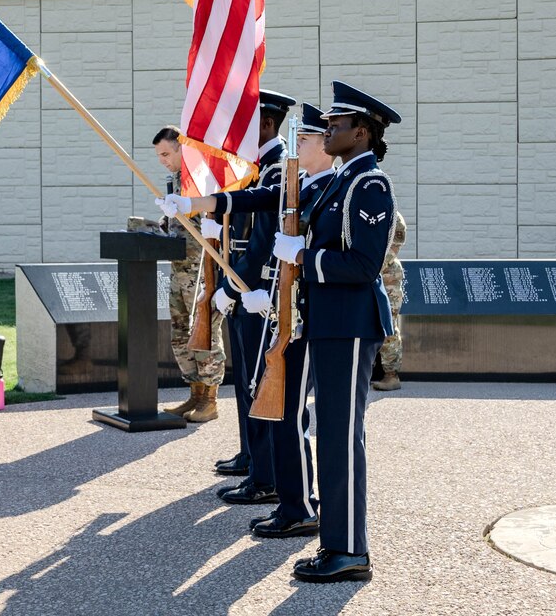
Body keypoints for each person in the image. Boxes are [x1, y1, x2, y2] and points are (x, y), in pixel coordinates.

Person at [160, 80, 400, 583]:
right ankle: (337, 544)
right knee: (328, 434)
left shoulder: (369, 185)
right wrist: (201, 206)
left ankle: (349, 551)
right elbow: (269, 198)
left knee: (340, 438)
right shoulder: (336, 181)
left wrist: (304, 258)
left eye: (336, 125)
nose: (327, 131)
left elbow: (363, 265)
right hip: (327, 323)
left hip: (350, 326)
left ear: (361, 132)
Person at [249, 101, 336, 540]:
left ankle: (300, 506)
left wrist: (298, 255)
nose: (296, 146)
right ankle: (291, 503)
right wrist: (200, 202)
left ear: (325, 144)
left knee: (289, 414)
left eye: (305, 139)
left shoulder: (330, 188)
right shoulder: (298, 184)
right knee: (280, 412)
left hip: (304, 315)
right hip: (283, 308)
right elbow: (257, 199)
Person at [211, 91, 295, 506]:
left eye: (244, 121)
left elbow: (262, 241)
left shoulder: (278, 168)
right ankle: (252, 455)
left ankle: (265, 476)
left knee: (257, 381)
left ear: (265, 123)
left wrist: (231, 287)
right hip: (243, 283)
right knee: (245, 378)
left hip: (257, 288)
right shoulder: (256, 166)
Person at [152, 126, 225, 423]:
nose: (163, 161)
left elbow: (214, 218)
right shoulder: (177, 181)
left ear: (182, 148)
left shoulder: (202, 178)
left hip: (202, 270)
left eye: (166, 154)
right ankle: (195, 393)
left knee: (204, 332)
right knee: (181, 333)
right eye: (159, 156)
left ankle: (210, 399)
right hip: (179, 269)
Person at [372, 210, 408, 391]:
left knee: (388, 325)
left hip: (387, 277)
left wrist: (370, 267)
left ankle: (391, 375)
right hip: (363, 275)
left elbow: (395, 245)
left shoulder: (393, 215)